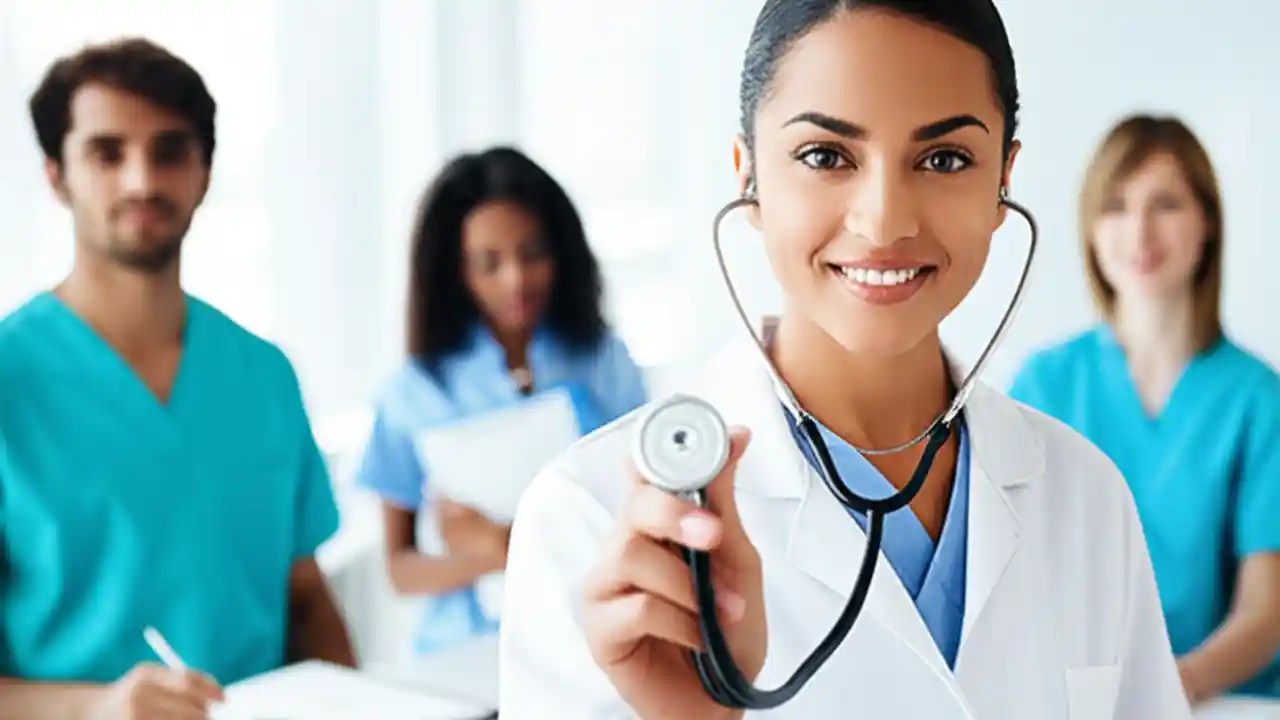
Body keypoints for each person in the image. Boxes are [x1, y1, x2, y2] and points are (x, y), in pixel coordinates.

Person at [498, 2, 1192, 717]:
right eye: (826, 157)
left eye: (945, 158)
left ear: (1003, 181)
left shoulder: (1086, 499)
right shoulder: (587, 520)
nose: (885, 219)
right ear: (749, 177)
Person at [0, 38, 355, 719]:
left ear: (204, 171)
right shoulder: (11, 383)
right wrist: (96, 708)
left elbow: (305, 599)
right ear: (56, 175)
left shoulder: (263, 375)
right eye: (108, 153)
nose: (142, 181)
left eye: (169, 150)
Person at [1009, 115, 1280, 704]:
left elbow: (1266, 611)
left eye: (1167, 204)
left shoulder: (1259, 400)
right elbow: (1010, 579)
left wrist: (1172, 689)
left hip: (1221, 701)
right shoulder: (1045, 385)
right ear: (1089, 228)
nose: (1139, 231)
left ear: (1206, 222)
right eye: (1115, 205)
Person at [356, 147, 647, 657]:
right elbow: (401, 572)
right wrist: (488, 555)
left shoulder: (603, 360)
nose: (516, 278)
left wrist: (507, 543)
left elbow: (644, 514)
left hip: (592, 638)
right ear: (455, 271)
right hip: (467, 653)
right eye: (488, 263)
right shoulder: (414, 390)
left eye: (533, 253)